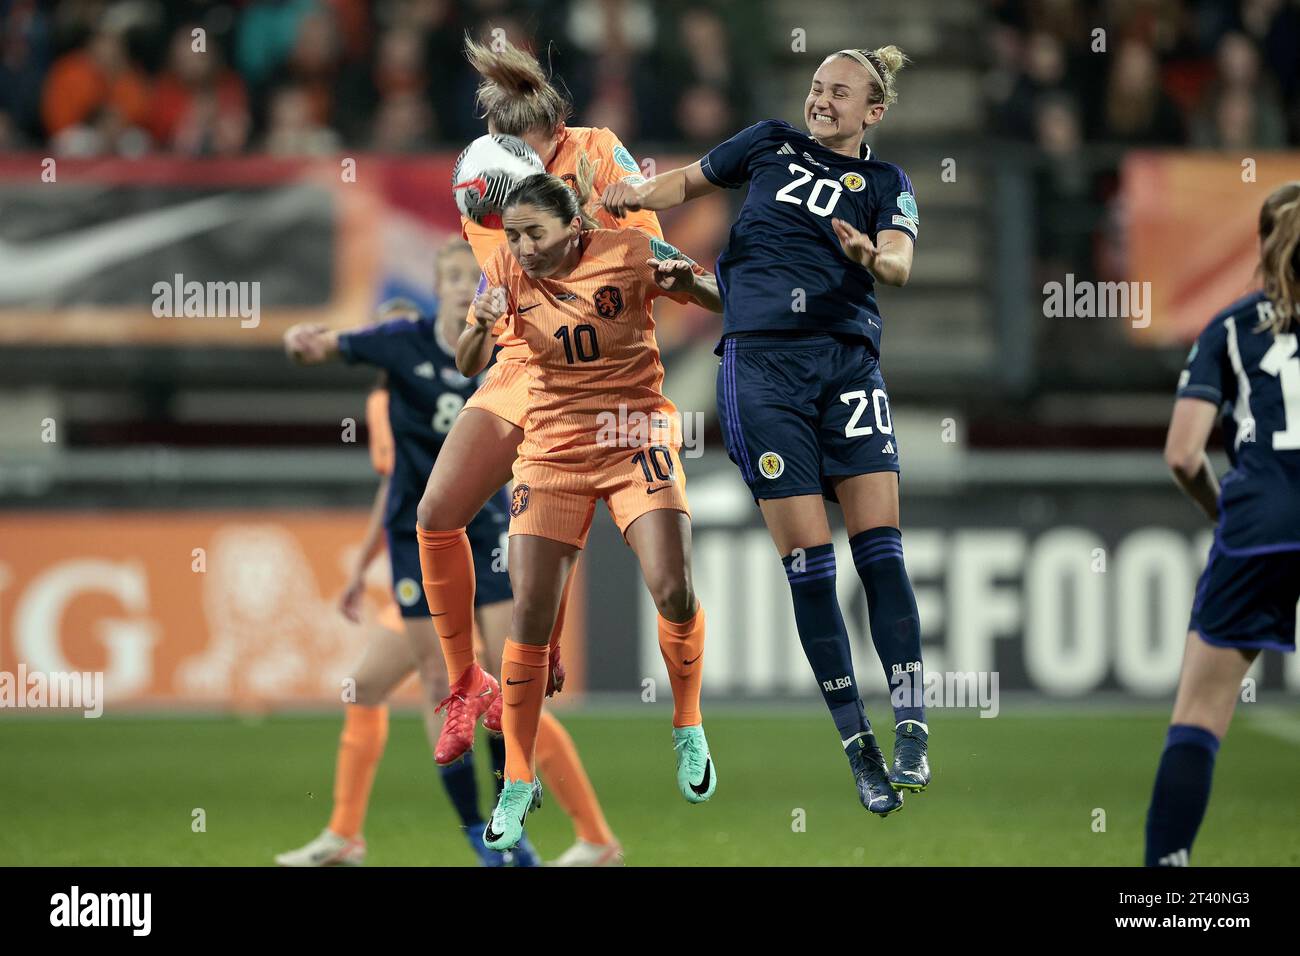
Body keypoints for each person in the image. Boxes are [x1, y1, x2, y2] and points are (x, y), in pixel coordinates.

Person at [602, 46, 928, 815]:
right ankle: (859, 747)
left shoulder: (885, 185)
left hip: (847, 365)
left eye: (840, 93)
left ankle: (912, 721)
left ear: (872, 113)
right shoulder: (769, 143)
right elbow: (685, 182)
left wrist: (872, 256)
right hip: (761, 373)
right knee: (811, 566)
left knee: (881, 554)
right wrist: (630, 195)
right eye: (817, 86)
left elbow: (903, 265)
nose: (822, 100)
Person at [281, 241, 621, 866]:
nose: (466, 284)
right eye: (454, 275)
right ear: (436, 286)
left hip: (488, 532)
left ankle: (553, 827)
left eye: (476, 274)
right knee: (421, 686)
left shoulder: (511, 344)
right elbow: (332, 345)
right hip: (421, 544)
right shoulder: (399, 344)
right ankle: (451, 835)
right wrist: (306, 340)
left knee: (498, 680)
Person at [415, 36, 663, 773]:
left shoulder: (597, 151)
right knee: (436, 515)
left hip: (599, 357)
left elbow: (648, 253)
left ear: (552, 138)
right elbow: (507, 282)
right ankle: (465, 682)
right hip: (525, 354)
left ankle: (543, 646)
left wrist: (586, 215)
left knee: (555, 504)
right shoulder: (485, 180)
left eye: (518, 150)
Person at [458, 169, 723, 851]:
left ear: (574, 227)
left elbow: (721, 300)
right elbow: (466, 364)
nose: (521, 248)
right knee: (530, 618)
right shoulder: (505, 275)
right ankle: (519, 779)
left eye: (533, 234)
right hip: (552, 450)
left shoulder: (631, 252)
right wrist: (480, 328)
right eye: (513, 235)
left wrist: (688, 284)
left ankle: (688, 727)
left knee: (673, 586)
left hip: (634, 436)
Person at [1145, 181, 1300, 866]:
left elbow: (1183, 454)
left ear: (1262, 244)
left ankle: (1166, 886)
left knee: (1201, 715)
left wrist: (1223, 514)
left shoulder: (1231, 327)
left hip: (1260, 522)